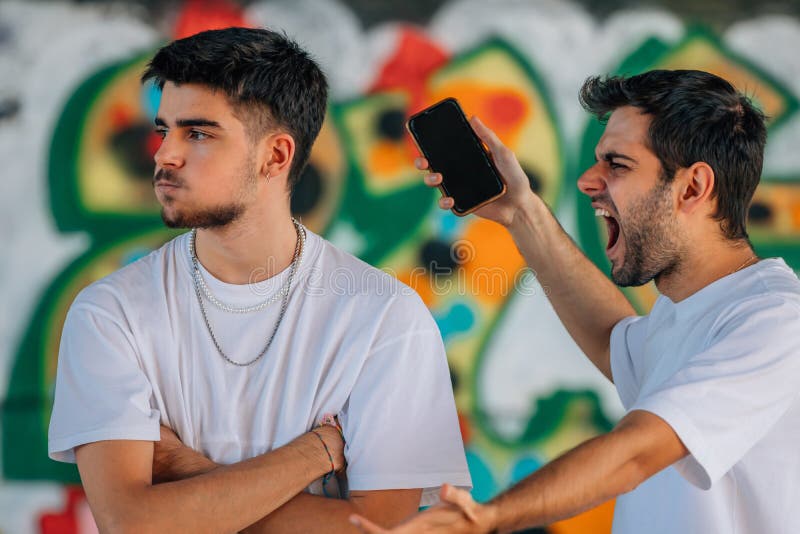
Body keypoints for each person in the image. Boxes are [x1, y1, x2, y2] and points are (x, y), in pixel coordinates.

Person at [47, 27, 470, 533]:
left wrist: (186, 473)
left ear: (276, 156)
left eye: (198, 133)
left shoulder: (384, 317)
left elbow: (376, 529)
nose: (164, 155)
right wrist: (314, 454)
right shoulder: (111, 313)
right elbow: (132, 524)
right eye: (165, 130)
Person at [351, 70, 800, 533]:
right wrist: (521, 212)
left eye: (617, 164)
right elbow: (612, 340)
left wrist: (489, 517)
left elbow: (637, 452)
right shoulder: (688, 312)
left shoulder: (774, 322)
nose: (588, 181)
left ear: (692, 188)